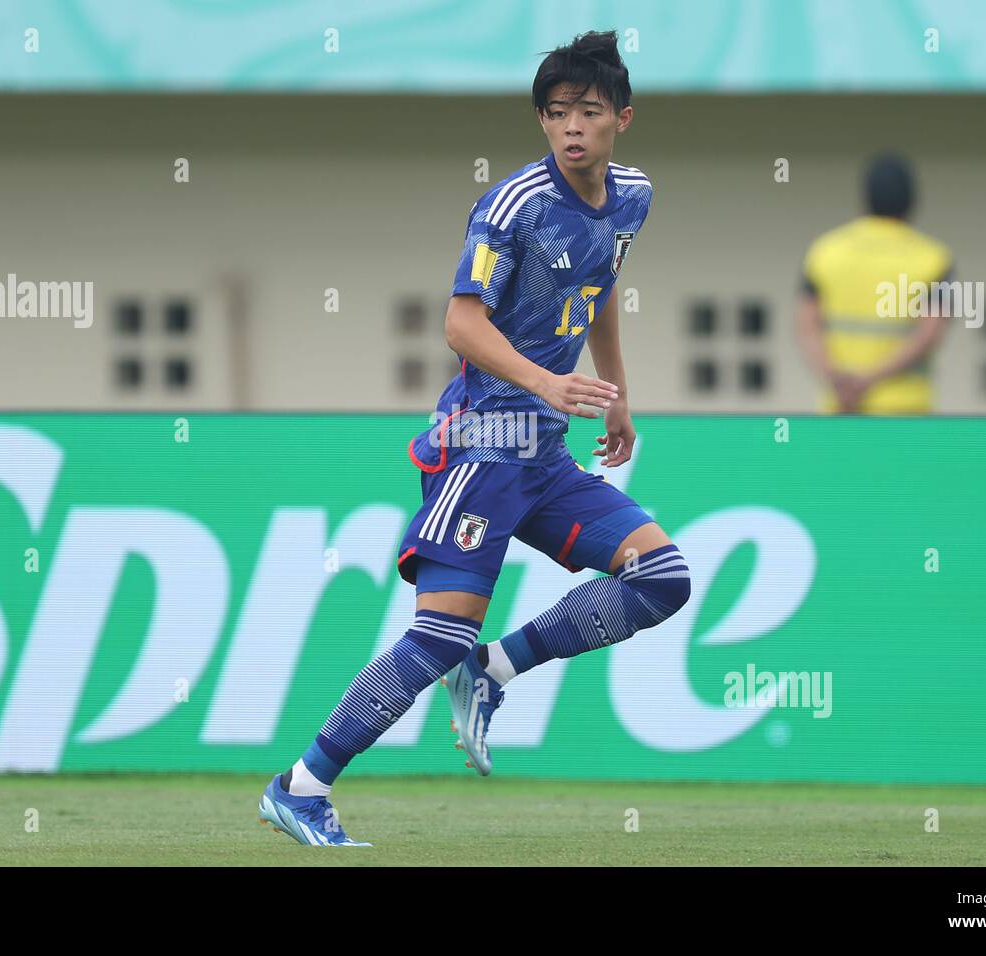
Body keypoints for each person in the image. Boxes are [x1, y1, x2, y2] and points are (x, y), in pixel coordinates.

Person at [257, 30, 691, 846]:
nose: (570, 127)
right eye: (555, 113)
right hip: (481, 445)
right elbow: (460, 323)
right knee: (437, 631)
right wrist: (547, 383)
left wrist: (618, 395)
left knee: (662, 578)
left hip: (547, 455)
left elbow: (600, 287)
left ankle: (494, 669)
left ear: (622, 119)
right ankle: (300, 787)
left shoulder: (632, 196)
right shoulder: (513, 205)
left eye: (587, 112)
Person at [796, 154, 953, 414]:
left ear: (864, 199)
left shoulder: (824, 252)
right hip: (905, 411)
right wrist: (868, 381)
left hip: (841, 408)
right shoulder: (934, 258)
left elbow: (806, 326)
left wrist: (839, 382)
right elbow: (929, 334)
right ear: (913, 202)